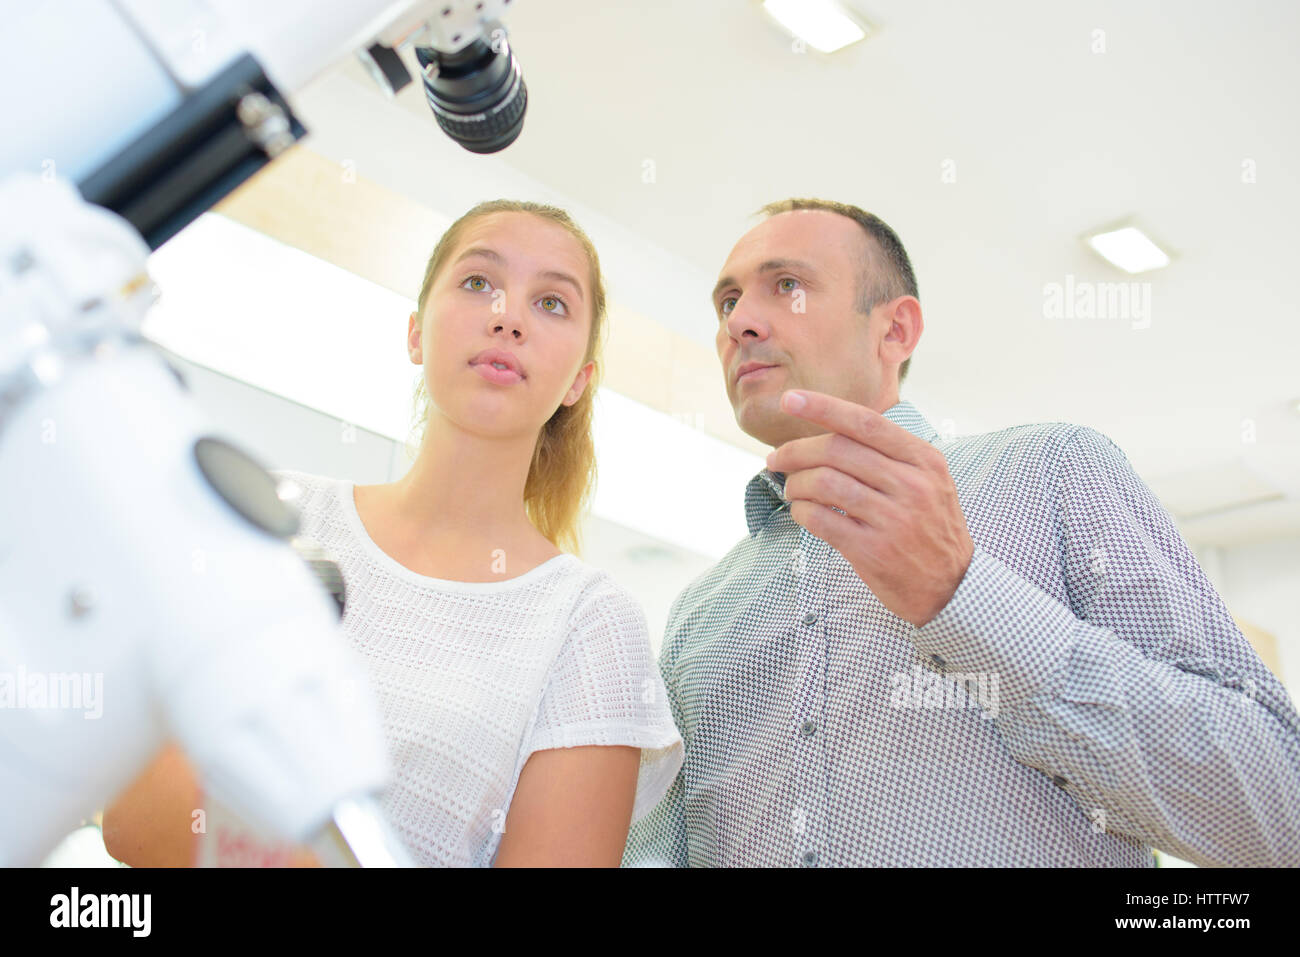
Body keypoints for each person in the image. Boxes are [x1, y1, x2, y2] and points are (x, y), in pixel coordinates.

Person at [621, 196, 1300, 867]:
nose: (740, 321)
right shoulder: (696, 617)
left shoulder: (1053, 470)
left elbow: (1277, 813)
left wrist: (964, 595)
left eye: (787, 286)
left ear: (895, 330)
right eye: (727, 301)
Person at [103, 199, 683, 867]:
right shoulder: (274, 517)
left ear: (579, 380)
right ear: (415, 330)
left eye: (552, 303)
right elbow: (137, 819)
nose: (508, 316)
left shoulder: (591, 625)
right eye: (477, 282)